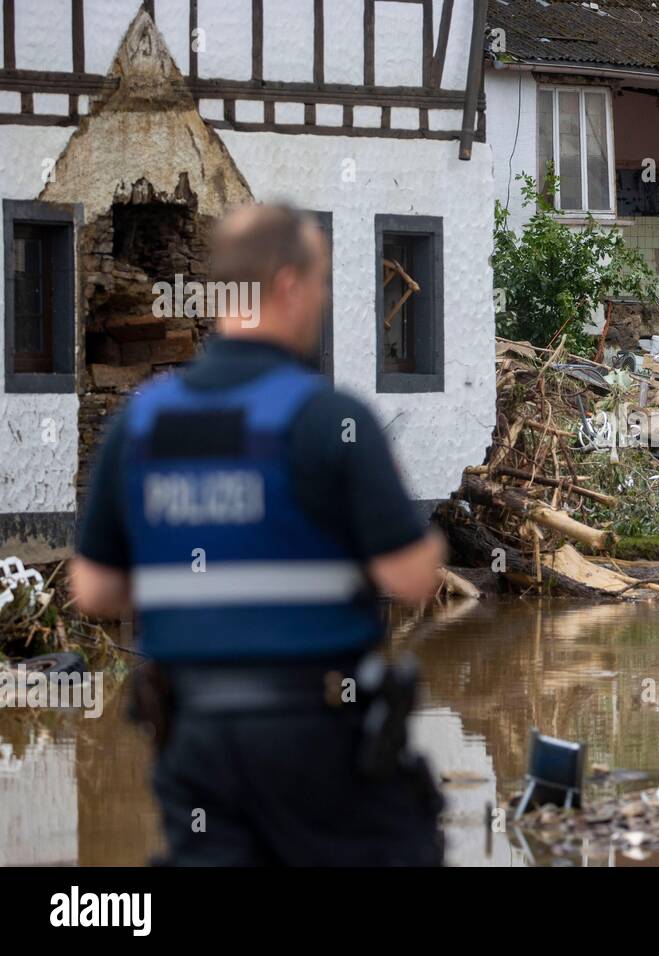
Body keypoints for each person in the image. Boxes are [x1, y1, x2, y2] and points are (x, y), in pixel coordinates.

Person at [71, 203, 447, 866]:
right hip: (318, 742)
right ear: (288, 285)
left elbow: (94, 590)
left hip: (194, 740)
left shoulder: (143, 423)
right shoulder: (327, 418)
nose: (323, 302)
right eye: (322, 283)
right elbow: (411, 579)